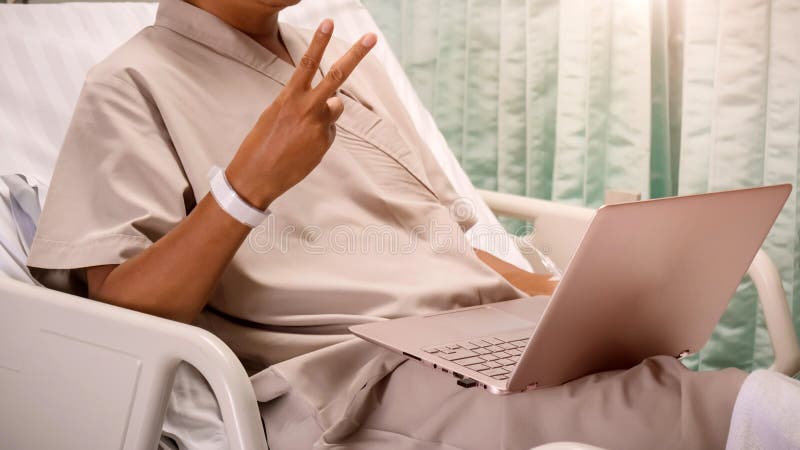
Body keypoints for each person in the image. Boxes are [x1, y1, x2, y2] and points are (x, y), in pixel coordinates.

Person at [27, 0, 746, 448]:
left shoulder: (340, 61)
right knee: (681, 416)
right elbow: (121, 310)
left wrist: (568, 301)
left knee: (681, 388)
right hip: (359, 381)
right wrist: (248, 186)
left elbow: (440, 237)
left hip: (475, 342)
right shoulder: (131, 83)